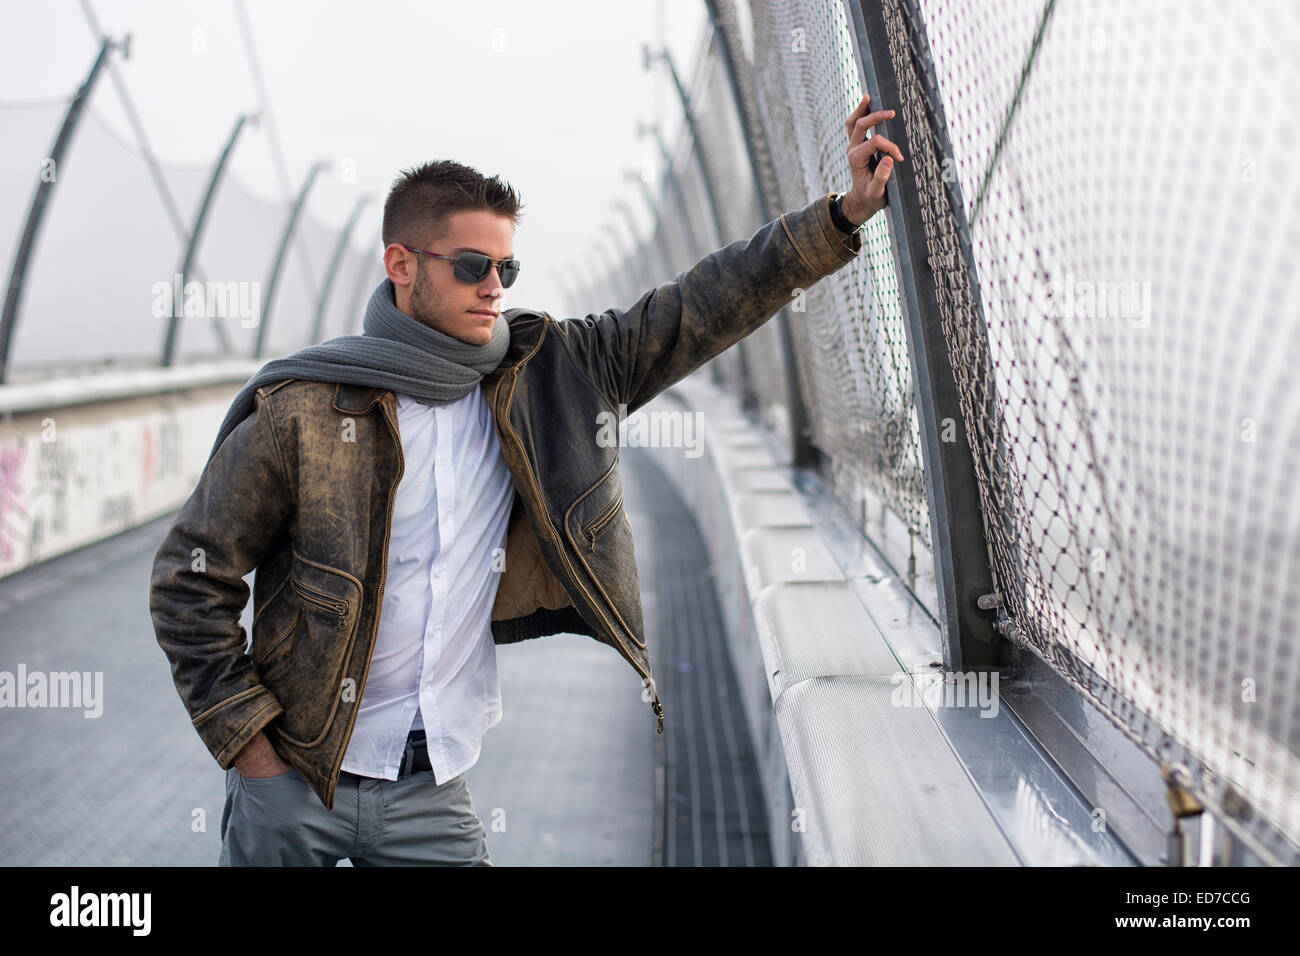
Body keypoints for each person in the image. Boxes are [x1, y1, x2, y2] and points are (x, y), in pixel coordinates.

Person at [149, 94, 903, 866]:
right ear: (401, 265)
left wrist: (841, 216)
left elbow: (696, 309)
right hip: (296, 780)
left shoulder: (549, 376)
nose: (494, 286)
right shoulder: (303, 413)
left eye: (505, 266)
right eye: (472, 265)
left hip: (432, 788)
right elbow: (187, 579)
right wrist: (252, 753)